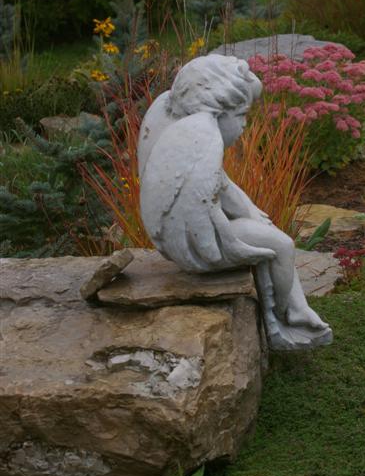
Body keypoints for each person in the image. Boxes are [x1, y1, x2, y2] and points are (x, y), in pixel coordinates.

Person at [138, 54, 332, 349]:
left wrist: (251, 213)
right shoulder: (202, 134)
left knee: (266, 233)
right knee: (281, 246)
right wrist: (233, 238)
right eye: (241, 115)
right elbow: (203, 203)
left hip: (202, 230)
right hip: (201, 242)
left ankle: (296, 309)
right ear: (217, 110)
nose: (243, 127)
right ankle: (289, 318)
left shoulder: (178, 120)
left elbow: (223, 187)